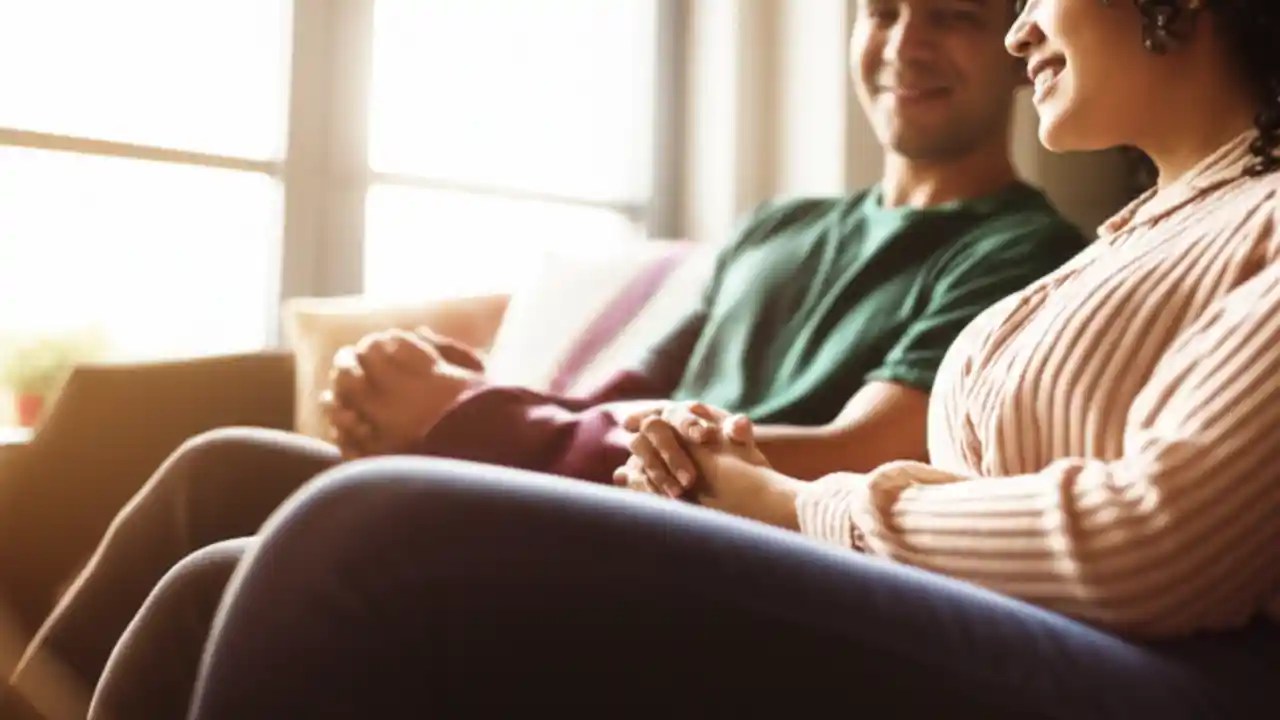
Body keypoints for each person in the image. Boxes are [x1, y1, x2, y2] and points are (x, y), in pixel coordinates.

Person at [158, 0, 1279, 717]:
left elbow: (1157, 544)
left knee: (367, 533)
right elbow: (979, 487)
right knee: (227, 566)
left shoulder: (1237, 221)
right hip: (958, 592)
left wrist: (783, 503)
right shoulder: (1137, 237)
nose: (1024, 28)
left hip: (1151, 673)